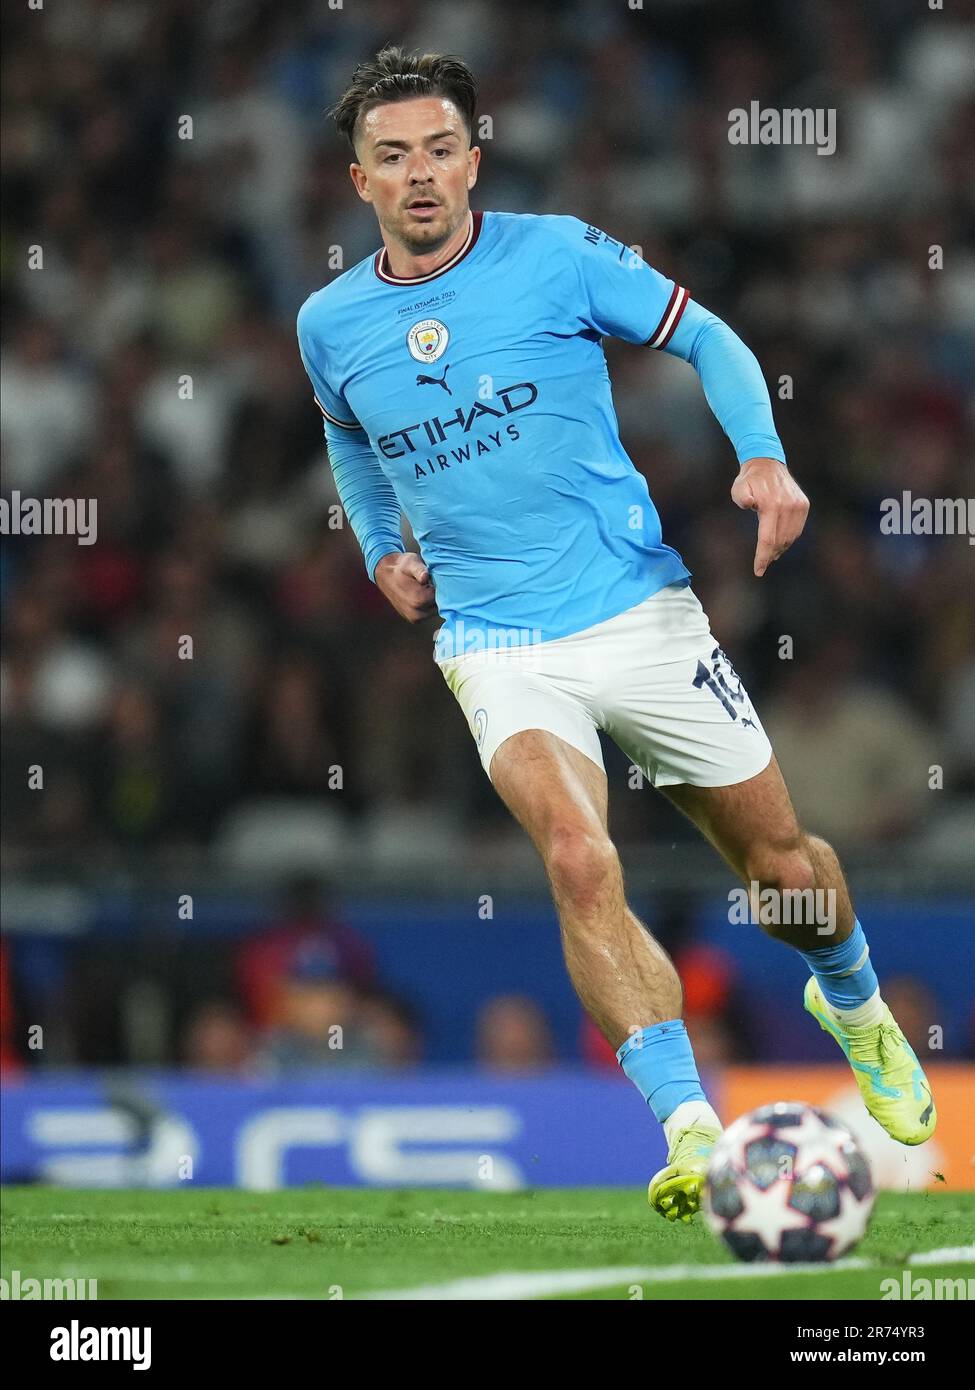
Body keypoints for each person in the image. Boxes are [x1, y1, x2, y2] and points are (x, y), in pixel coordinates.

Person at [296, 46, 936, 1222]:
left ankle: (851, 999)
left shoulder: (558, 253)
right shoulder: (330, 323)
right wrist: (380, 544)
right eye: (394, 157)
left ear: (475, 160)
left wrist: (763, 458)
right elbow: (349, 436)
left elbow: (711, 340)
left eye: (441, 149)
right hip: (496, 643)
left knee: (782, 871)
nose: (421, 174)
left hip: (639, 611)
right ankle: (693, 1126)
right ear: (359, 183)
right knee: (581, 859)